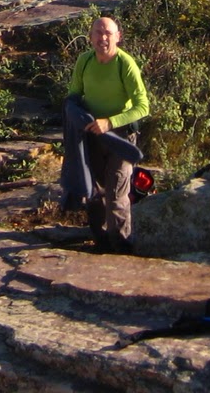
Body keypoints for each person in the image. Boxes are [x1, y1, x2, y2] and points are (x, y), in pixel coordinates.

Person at [66, 16, 150, 252]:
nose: (103, 38)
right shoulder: (84, 61)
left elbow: (142, 106)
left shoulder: (125, 64)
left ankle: (122, 246)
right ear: (90, 36)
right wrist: (76, 116)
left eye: (108, 33)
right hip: (91, 136)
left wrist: (110, 123)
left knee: (117, 194)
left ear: (118, 37)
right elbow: (74, 94)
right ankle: (101, 243)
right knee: (93, 192)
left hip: (121, 139)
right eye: (98, 33)